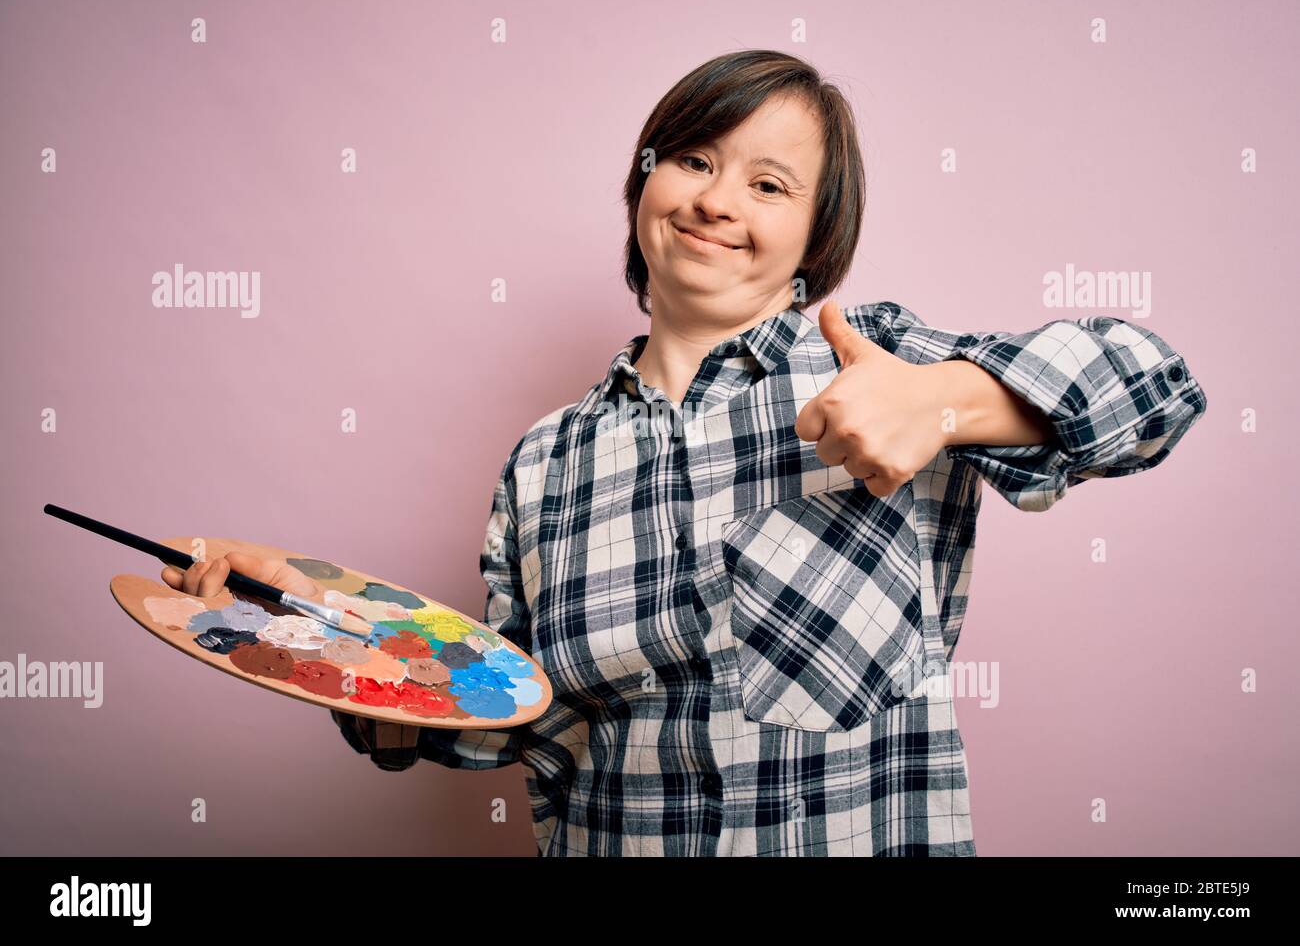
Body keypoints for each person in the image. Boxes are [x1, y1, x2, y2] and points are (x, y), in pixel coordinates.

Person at [164, 49, 1208, 856]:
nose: (715, 200)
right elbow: (508, 720)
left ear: (816, 236)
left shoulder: (877, 365)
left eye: (769, 184)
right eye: (696, 161)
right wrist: (315, 628)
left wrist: (942, 400)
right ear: (644, 184)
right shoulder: (542, 461)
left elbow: (1156, 386)